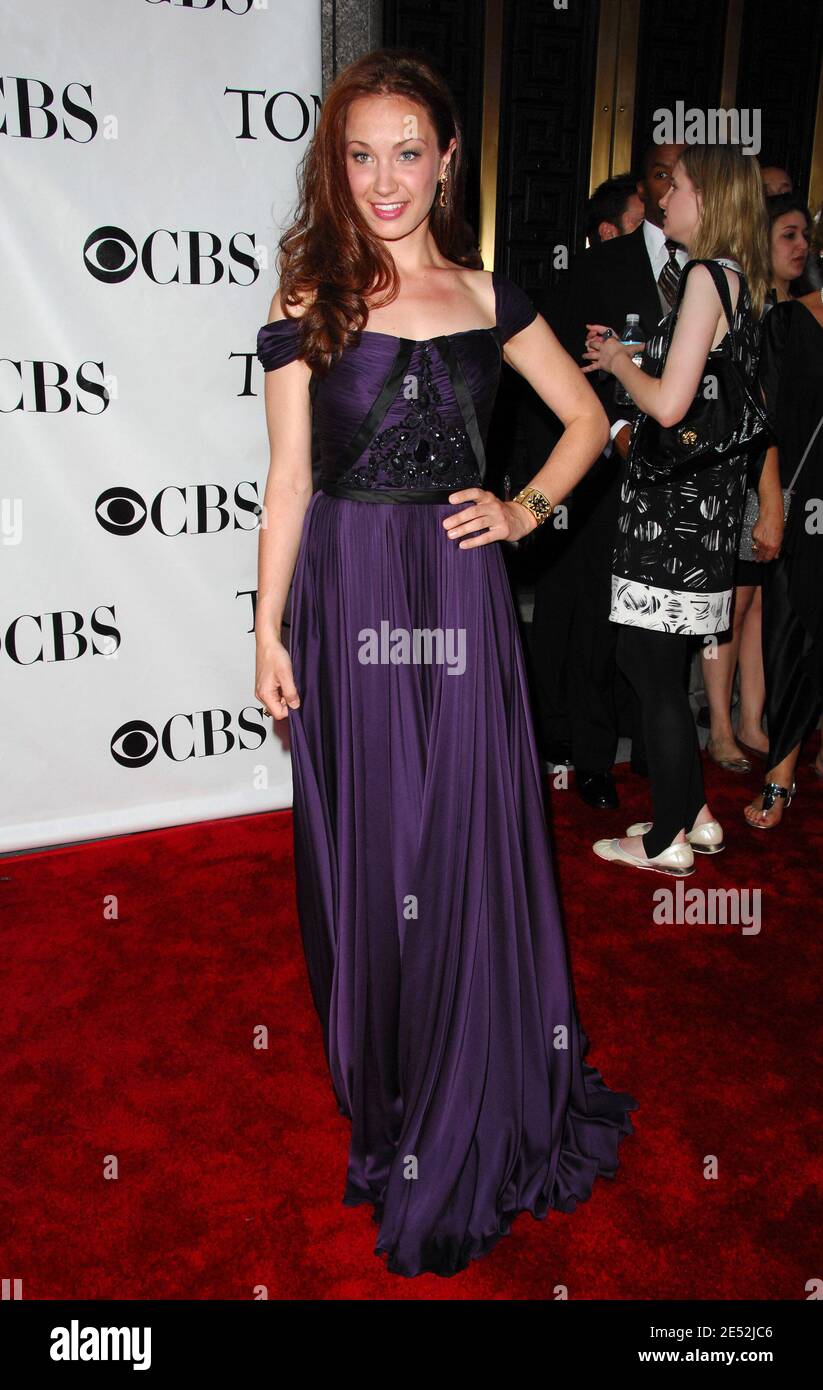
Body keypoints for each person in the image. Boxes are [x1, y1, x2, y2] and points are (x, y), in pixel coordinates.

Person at [253, 49, 637, 1278]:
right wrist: (264, 628)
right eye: (360, 154)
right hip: (348, 591)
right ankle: (399, 1099)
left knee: (464, 833)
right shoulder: (308, 299)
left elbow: (586, 422)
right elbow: (289, 481)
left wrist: (523, 511)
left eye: (406, 151)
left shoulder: (487, 297)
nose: (383, 178)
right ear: (335, 163)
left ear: (447, 158)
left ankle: (481, 1088)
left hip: (459, 598)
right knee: (374, 845)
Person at [582, 145, 770, 875]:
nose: (665, 199)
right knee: (660, 662)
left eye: (680, 186)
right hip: (705, 509)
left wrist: (619, 364)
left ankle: (664, 841)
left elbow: (668, 403)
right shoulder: (737, 282)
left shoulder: (702, 277)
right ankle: (691, 815)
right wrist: (635, 356)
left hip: (673, 511)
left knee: (648, 666)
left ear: (711, 198)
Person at [529, 139, 686, 810]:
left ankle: (662, 754)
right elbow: (561, 367)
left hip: (689, 473)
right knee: (596, 614)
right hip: (608, 469)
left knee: (673, 624)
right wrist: (612, 432)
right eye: (662, 172)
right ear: (647, 183)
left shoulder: (714, 268)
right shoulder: (600, 266)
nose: (671, 184)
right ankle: (592, 757)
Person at [700, 194, 814, 773]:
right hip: (748, 476)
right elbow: (752, 409)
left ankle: (750, 719)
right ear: (762, 239)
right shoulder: (750, 309)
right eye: (789, 235)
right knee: (733, 605)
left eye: (805, 237)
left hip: (791, 478)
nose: (802, 247)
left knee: (762, 605)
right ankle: (721, 726)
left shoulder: (800, 311)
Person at [743, 287, 823, 827]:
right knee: (791, 626)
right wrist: (770, 503)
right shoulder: (790, 322)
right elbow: (762, 420)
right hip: (804, 499)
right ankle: (781, 771)